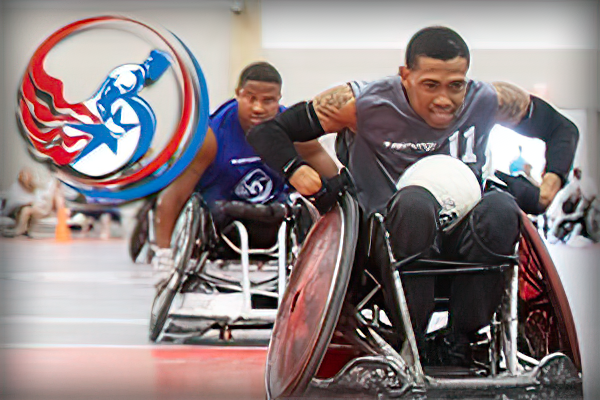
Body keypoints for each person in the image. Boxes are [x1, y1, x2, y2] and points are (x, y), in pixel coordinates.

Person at [247, 26, 578, 365]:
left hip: (463, 237)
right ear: (405, 76)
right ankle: (413, 337)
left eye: (456, 85)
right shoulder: (360, 102)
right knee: (416, 203)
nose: (444, 100)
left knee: (501, 207)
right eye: (430, 85)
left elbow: (561, 129)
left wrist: (549, 187)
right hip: (385, 238)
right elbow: (269, 131)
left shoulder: (488, 99)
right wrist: (299, 173)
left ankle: (460, 341)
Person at [152, 61, 338, 279]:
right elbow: (174, 195)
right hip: (220, 220)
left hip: (276, 219)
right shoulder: (210, 136)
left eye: (268, 100)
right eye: (251, 98)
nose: (258, 108)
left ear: (279, 99)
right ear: (238, 94)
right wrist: (164, 256)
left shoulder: (294, 132)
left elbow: (333, 182)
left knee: (302, 210)